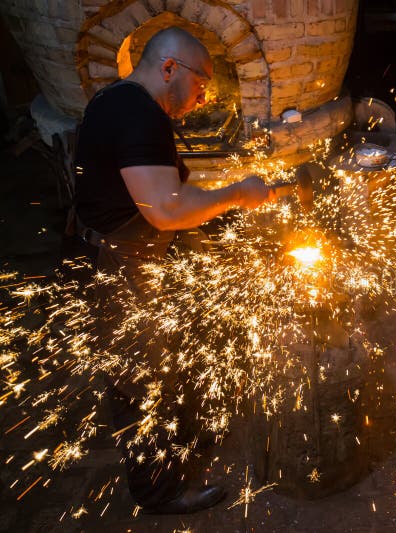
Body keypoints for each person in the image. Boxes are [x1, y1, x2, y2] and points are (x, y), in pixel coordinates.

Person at [72, 27, 292, 514]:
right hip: (119, 265)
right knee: (138, 377)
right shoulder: (139, 114)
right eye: (201, 83)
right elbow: (167, 210)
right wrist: (238, 194)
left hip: (128, 253)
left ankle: (185, 437)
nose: (203, 97)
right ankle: (159, 492)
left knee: (171, 353)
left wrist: (222, 203)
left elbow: (163, 191)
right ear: (169, 67)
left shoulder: (119, 100)